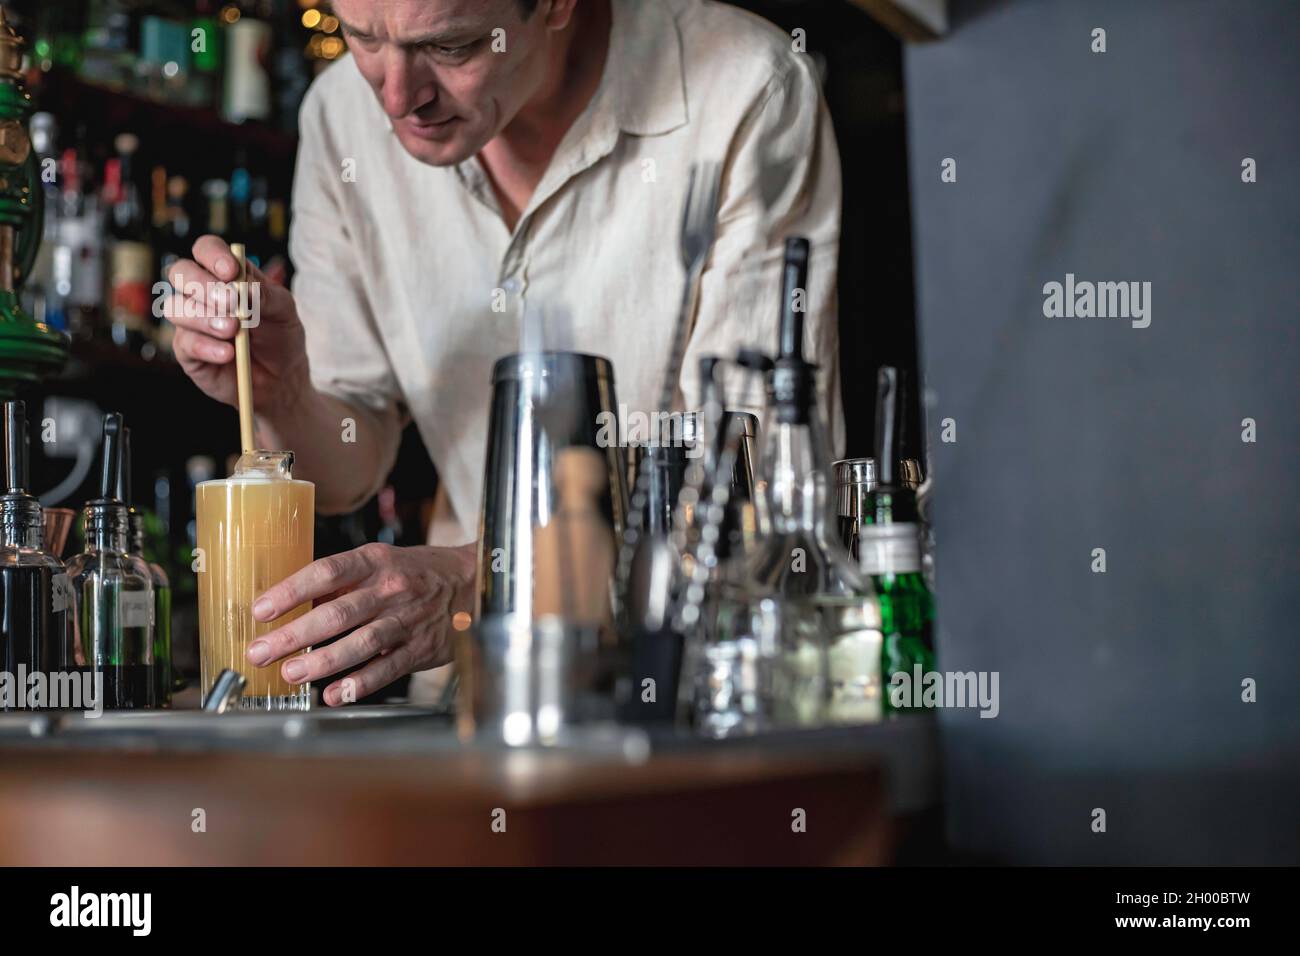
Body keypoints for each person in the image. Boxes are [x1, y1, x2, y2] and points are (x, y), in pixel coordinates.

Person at [166, 0, 843, 706]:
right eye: (362, 37)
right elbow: (348, 464)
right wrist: (285, 391)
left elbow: (754, 476)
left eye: (452, 47)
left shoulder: (743, 88)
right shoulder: (340, 117)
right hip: (478, 694)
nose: (398, 98)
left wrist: (489, 576)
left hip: (703, 678)